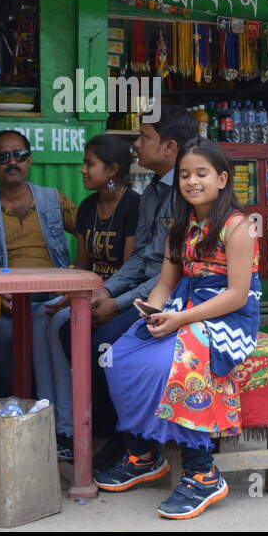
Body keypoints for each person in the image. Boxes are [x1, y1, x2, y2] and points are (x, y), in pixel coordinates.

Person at [94, 138, 261, 519]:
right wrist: (152, 310)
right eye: (185, 174)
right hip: (182, 308)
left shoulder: (239, 228)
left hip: (229, 318)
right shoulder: (181, 226)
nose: (192, 182)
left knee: (181, 361)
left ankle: (202, 473)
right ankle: (142, 454)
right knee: (119, 355)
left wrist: (182, 319)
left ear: (221, 178)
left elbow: (237, 295)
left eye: (201, 174)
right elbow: (166, 283)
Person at [58, 105, 197, 460]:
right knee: (70, 330)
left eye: (145, 137)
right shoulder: (151, 191)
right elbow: (141, 259)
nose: (136, 143)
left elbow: (171, 271)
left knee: (104, 342)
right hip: (148, 289)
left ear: (169, 148)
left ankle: (129, 439)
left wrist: (117, 304)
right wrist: (104, 291)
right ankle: (106, 430)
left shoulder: (187, 194)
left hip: (177, 297)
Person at [41, 135, 140, 457]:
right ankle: (58, 421)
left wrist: (95, 299)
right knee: (45, 318)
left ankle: (74, 427)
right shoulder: (87, 207)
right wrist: (67, 296)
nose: (82, 171)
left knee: (61, 326)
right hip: (88, 293)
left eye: (89, 164)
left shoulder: (133, 206)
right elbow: (82, 265)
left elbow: (131, 270)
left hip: (118, 297)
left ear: (112, 170)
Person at [0, 130, 78, 413]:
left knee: (61, 330)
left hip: (53, 299)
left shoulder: (52, 199)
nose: (12, 162)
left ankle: (60, 419)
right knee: (2, 336)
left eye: (19, 155)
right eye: (3, 157)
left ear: (30, 160)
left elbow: (88, 230)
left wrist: (74, 278)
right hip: (7, 304)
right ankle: (16, 411)